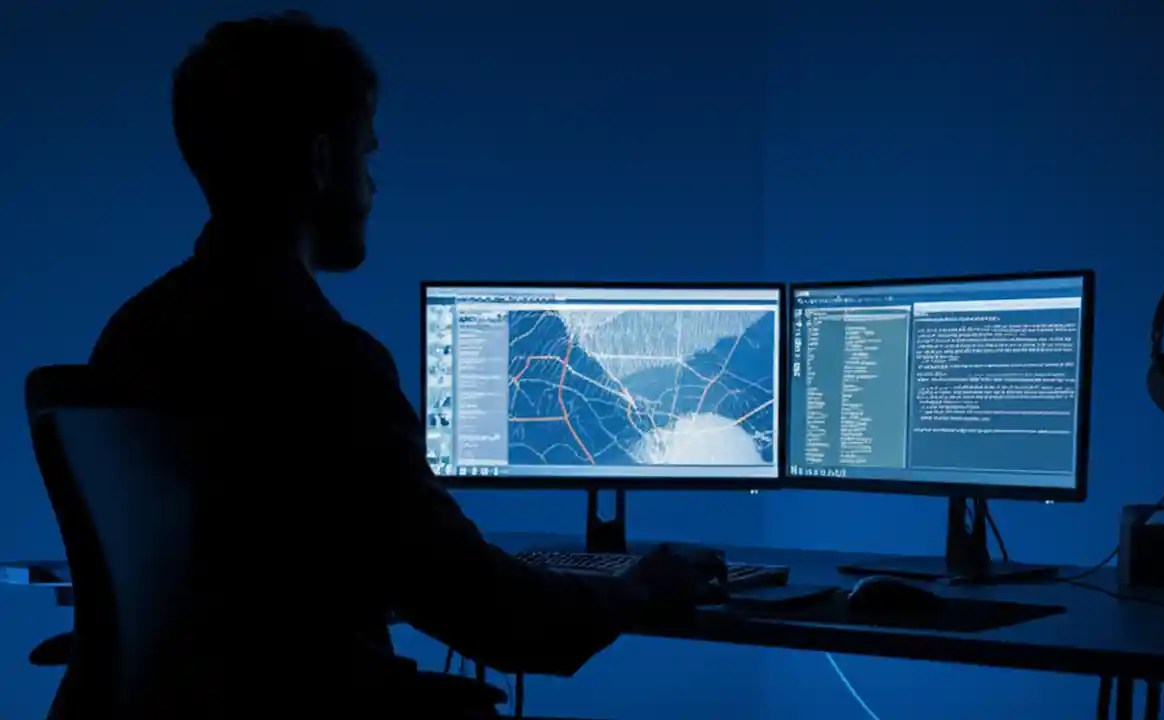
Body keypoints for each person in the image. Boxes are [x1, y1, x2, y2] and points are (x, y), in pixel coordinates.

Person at [83, 10, 727, 718]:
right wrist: (640, 587)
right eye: (368, 155)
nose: (374, 186)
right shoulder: (328, 363)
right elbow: (494, 616)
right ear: (324, 162)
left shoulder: (130, 337)